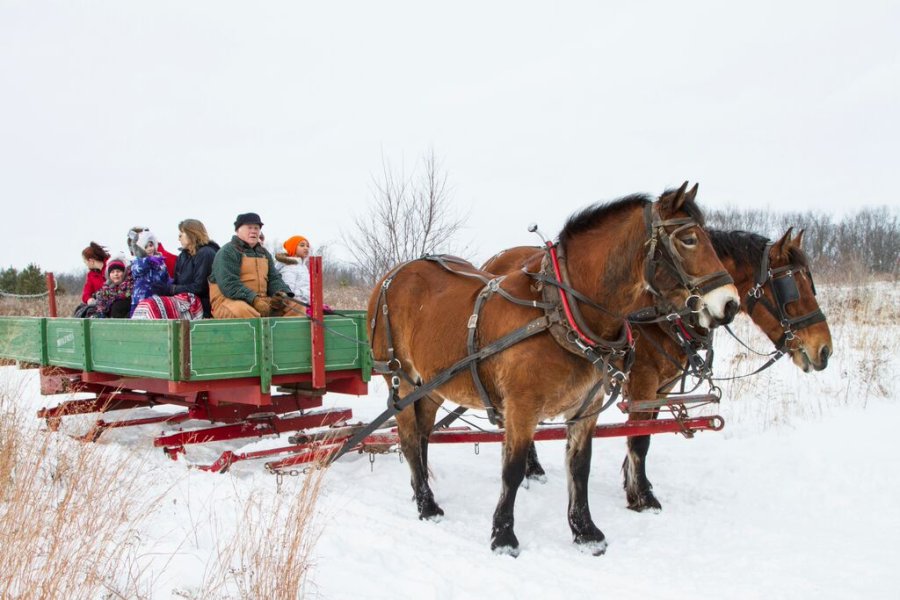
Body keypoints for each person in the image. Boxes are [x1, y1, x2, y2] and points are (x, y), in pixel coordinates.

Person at [208, 212, 303, 318]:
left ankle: (284, 334)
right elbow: (229, 284)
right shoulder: (228, 251)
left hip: (262, 301)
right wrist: (254, 300)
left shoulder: (264, 253)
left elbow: (274, 278)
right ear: (238, 230)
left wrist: (282, 294)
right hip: (229, 301)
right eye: (249, 227)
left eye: (257, 228)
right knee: (244, 312)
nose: (253, 231)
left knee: (297, 307)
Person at [130, 219, 216, 320]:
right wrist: (163, 287)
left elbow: (201, 287)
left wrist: (171, 289)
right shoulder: (183, 255)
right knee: (147, 304)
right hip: (182, 301)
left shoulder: (206, 253)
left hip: (199, 303)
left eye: (181, 234)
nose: (178, 238)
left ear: (191, 234)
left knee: (152, 307)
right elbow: (177, 283)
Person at [128, 229, 174, 317]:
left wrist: (172, 283)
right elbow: (137, 271)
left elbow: (165, 277)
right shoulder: (138, 261)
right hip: (140, 300)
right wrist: (148, 261)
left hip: (156, 300)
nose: (149, 249)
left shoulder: (160, 261)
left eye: (151, 245)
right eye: (146, 247)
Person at [74, 242, 110, 317]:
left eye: (85, 262)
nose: (85, 264)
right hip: (99, 303)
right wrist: (89, 299)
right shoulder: (91, 275)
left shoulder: (111, 266)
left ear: (91, 261)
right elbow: (86, 292)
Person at [275, 235, 311, 304]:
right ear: (293, 248)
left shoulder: (303, 267)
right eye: (302, 245)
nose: (306, 248)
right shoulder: (289, 267)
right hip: (296, 307)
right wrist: (305, 294)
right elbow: (289, 292)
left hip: (306, 304)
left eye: (307, 246)